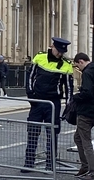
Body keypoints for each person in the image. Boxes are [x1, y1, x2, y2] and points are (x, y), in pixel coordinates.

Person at [23, 37, 73, 171]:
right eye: (59, 51)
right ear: (52, 46)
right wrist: (30, 95)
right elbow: (30, 77)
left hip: (53, 102)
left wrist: (68, 107)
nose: (61, 54)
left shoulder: (66, 65)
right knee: (33, 131)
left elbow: (69, 88)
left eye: (63, 52)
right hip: (37, 101)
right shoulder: (39, 58)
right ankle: (28, 163)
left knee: (52, 133)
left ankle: (50, 164)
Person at [69, 52, 94, 180]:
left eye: (77, 66)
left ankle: (93, 172)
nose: (78, 69)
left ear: (81, 61)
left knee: (86, 142)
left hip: (86, 111)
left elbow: (87, 93)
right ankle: (85, 166)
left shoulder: (87, 73)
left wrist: (75, 97)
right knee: (78, 138)